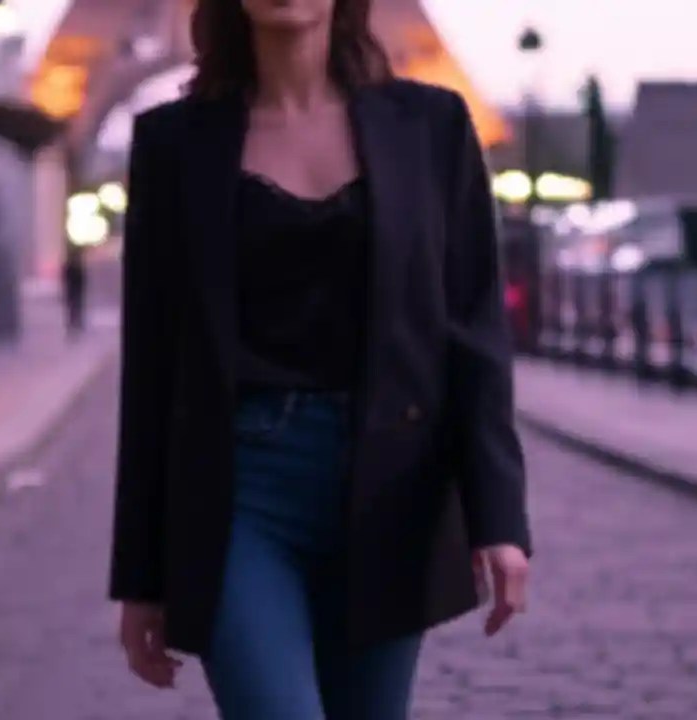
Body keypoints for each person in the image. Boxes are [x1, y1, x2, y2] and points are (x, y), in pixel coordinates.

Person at [109, 0, 533, 717]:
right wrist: (141, 576)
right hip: (238, 491)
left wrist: (498, 515)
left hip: (391, 487)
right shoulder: (173, 143)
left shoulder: (433, 128)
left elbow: (474, 331)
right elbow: (152, 363)